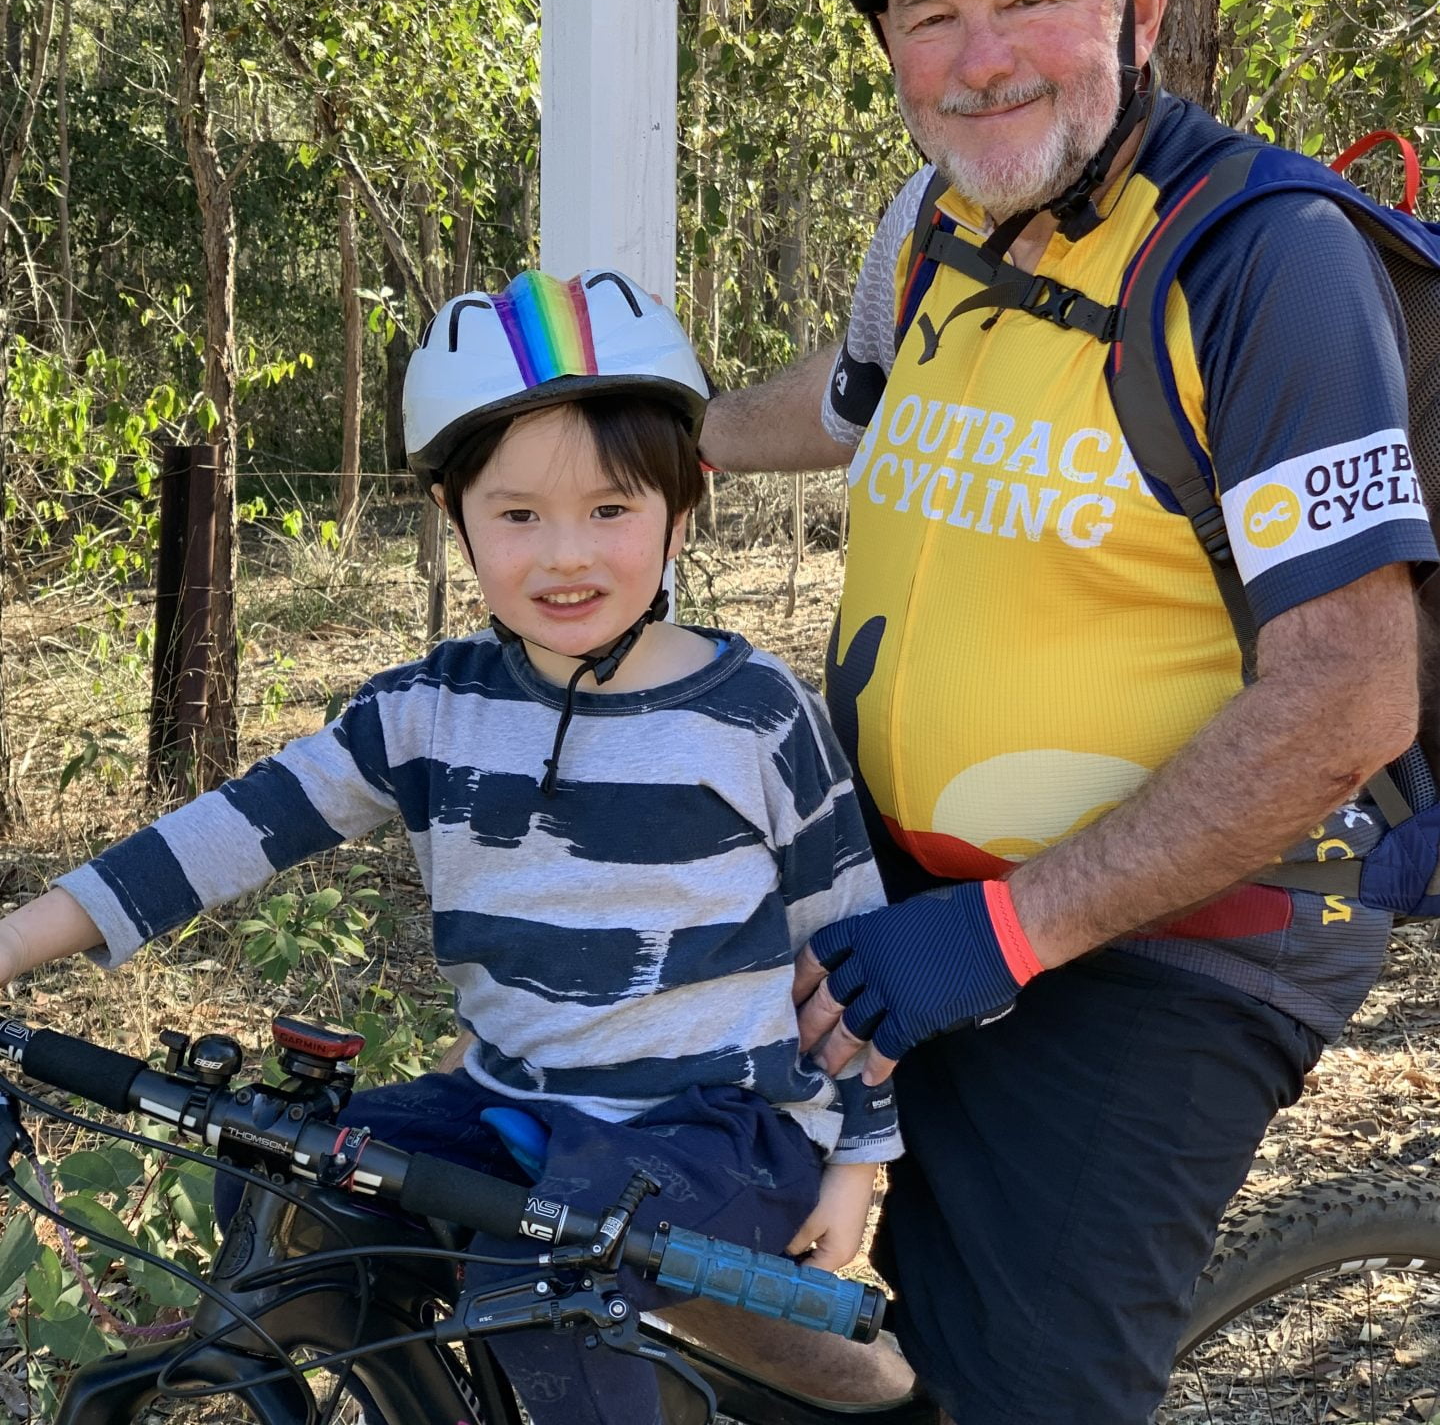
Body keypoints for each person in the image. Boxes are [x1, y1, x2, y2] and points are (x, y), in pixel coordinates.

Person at [699, 0, 1430, 1423]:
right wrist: (670, 444)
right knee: (737, 1294)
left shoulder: (1262, 263)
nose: (977, 56)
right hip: (902, 902)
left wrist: (1008, 936)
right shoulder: (937, 225)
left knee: (1012, 1391)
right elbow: (847, 402)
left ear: (1139, 0)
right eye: (926, 13)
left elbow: (1351, 695)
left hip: (1171, 941)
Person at [0, 268, 902, 1425]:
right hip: (506, 1104)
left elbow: (848, 941)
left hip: (719, 1125)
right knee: (284, 1191)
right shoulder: (427, 711)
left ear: (682, 511)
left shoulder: (752, 715)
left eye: (612, 510)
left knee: (549, 1281)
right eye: (518, 516)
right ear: (455, 519)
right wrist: (17, 947)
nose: (565, 556)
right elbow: (232, 831)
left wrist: (857, 1158)